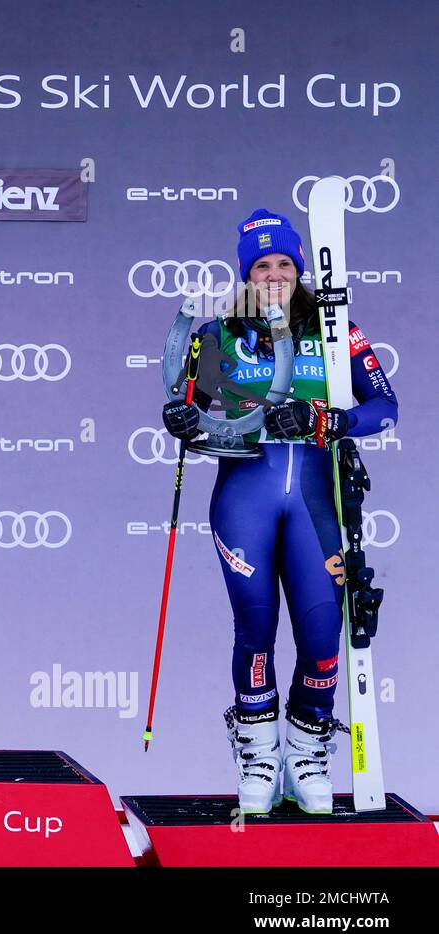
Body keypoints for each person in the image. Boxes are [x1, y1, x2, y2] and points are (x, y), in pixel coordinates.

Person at [160, 209, 397, 813]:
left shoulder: (337, 327)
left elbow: (386, 406)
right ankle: (260, 753)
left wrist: (328, 419)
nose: (272, 275)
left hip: (319, 503)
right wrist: (181, 419)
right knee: (256, 634)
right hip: (247, 498)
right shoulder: (218, 334)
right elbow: (194, 410)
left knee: (322, 637)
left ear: (298, 269)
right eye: (259, 265)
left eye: (283, 264)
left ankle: (307, 750)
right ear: (244, 274)